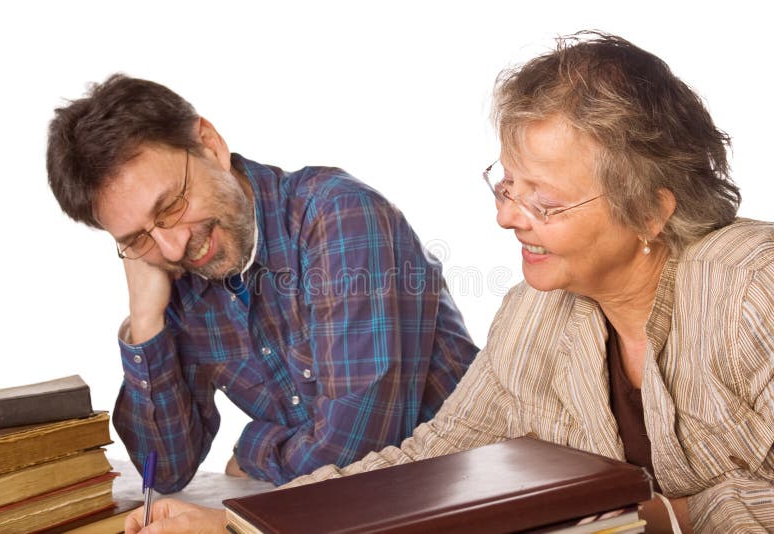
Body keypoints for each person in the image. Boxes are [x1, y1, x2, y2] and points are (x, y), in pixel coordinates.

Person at [125, 32, 774, 533]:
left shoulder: (754, 290)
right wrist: (242, 525)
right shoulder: (532, 314)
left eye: (543, 202)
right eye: (507, 185)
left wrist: (666, 518)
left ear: (652, 211)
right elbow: (437, 455)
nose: (505, 217)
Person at [46, 75, 479, 491]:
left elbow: (355, 457)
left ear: (210, 145)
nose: (173, 248)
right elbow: (162, 473)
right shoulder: (177, 276)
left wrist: (255, 449)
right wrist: (145, 320)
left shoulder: (337, 214)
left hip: (465, 492)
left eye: (171, 206)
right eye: (137, 238)